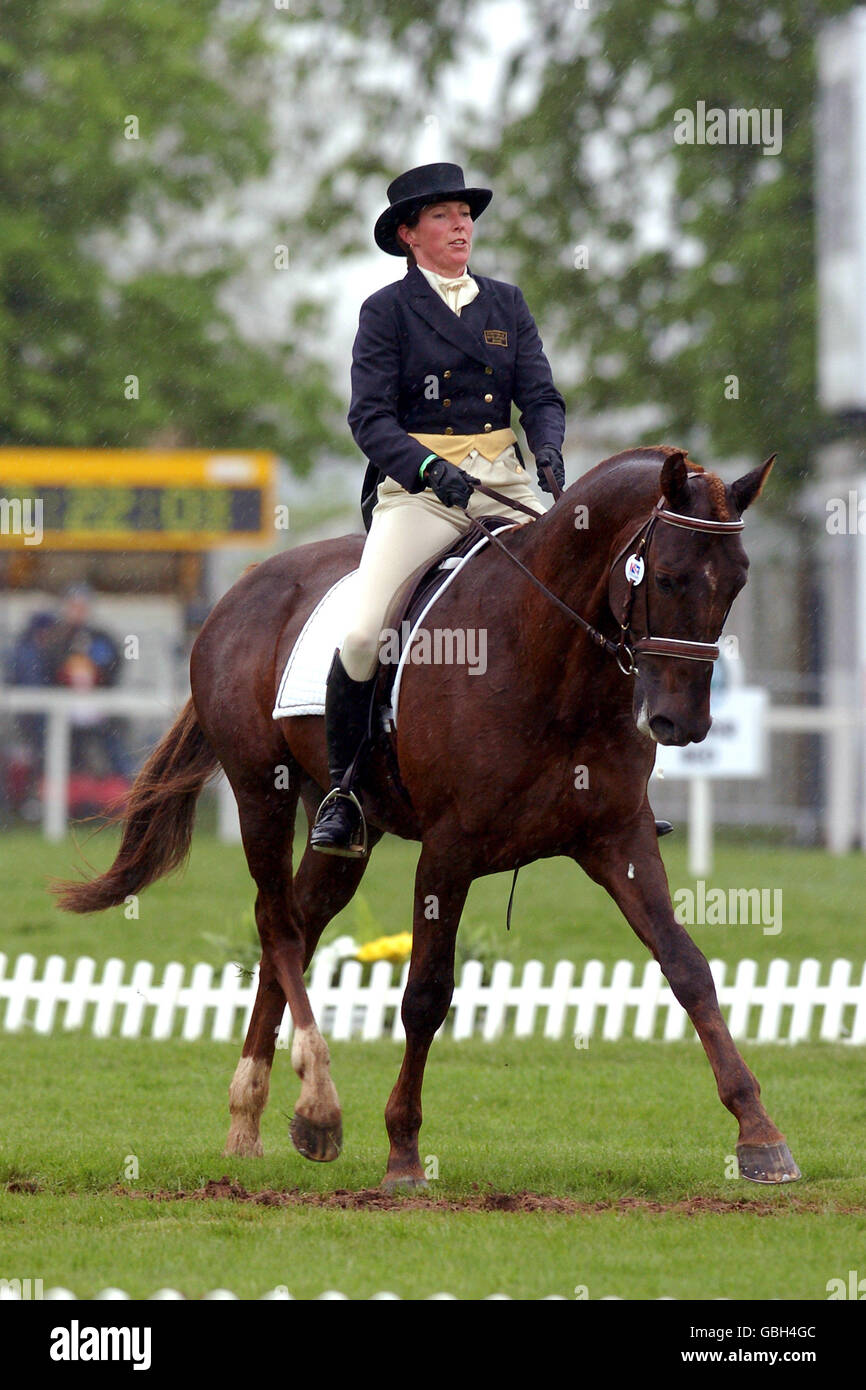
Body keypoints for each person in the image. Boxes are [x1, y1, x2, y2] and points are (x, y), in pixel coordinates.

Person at [310, 162, 567, 856]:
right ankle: (345, 792)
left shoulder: (506, 304)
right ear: (409, 234)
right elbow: (369, 418)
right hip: (420, 489)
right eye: (444, 217)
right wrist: (428, 469)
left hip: (504, 483)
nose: (461, 227)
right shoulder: (386, 312)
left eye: (466, 214)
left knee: (577, 600)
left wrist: (546, 452)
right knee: (365, 633)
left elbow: (539, 397)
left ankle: (598, 776)